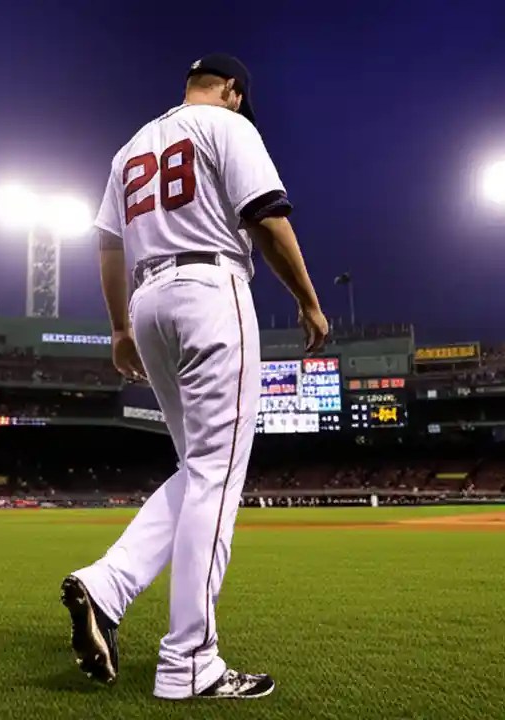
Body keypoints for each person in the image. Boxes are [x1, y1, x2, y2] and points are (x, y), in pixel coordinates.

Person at [61, 53, 327, 701]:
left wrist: (121, 326)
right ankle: (190, 661)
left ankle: (107, 584)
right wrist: (309, 300)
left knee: (198, 468)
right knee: (217, 473)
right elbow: (265, 214)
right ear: (231, 91)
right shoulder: (226, 125)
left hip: (149, 302)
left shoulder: (131, 148)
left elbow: (108, 244)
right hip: (210, 285)